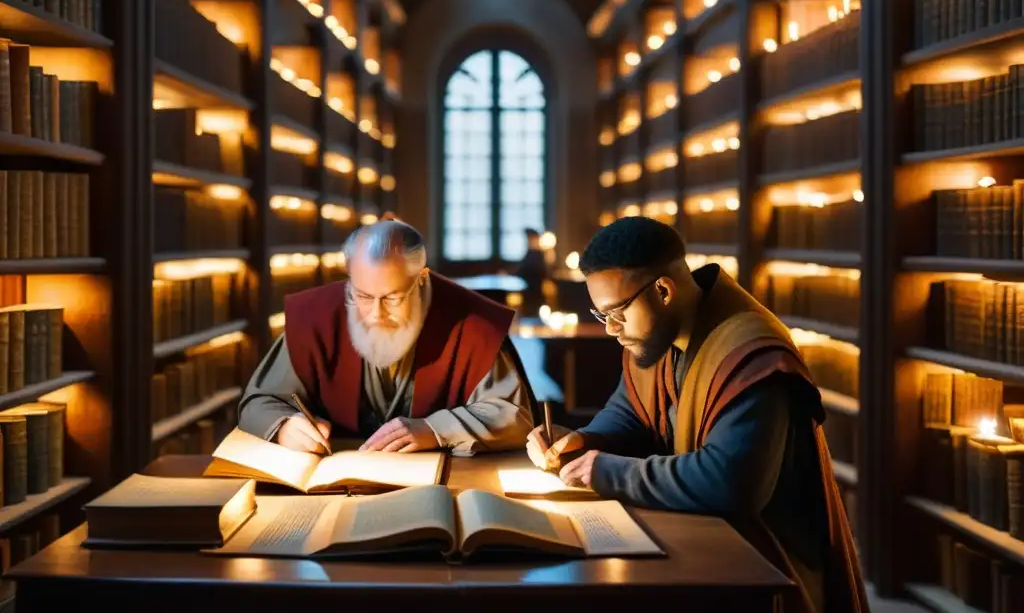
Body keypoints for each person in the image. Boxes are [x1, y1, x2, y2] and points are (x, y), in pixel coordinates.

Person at [525, 217, 867, 613]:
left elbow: (731, 484)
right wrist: (585, 440)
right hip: (699, 540)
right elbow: (628, 413)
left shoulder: (753, 352)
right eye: (603, 315)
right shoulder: (656, 335)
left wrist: (604, 470)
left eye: (616, 312)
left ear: (663, 290)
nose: (611, 329)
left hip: (765, 569)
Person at [239, 220, 535, 455]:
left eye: (392, 298)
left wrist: (434, 430)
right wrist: (285, 426)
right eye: (364, 296)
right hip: (334, 488)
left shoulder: (469, 321)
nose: (376, 313)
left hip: (440, 486)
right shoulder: (316, 317)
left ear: (421, 279)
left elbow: (514, 416)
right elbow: (258, 401)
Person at [514, 228, 548, 316]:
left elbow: (528, 269)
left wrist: (515, 274)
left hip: (533, 289)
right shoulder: (532, 252)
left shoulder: (536, 253)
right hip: (528, 288)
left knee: (532, 311)